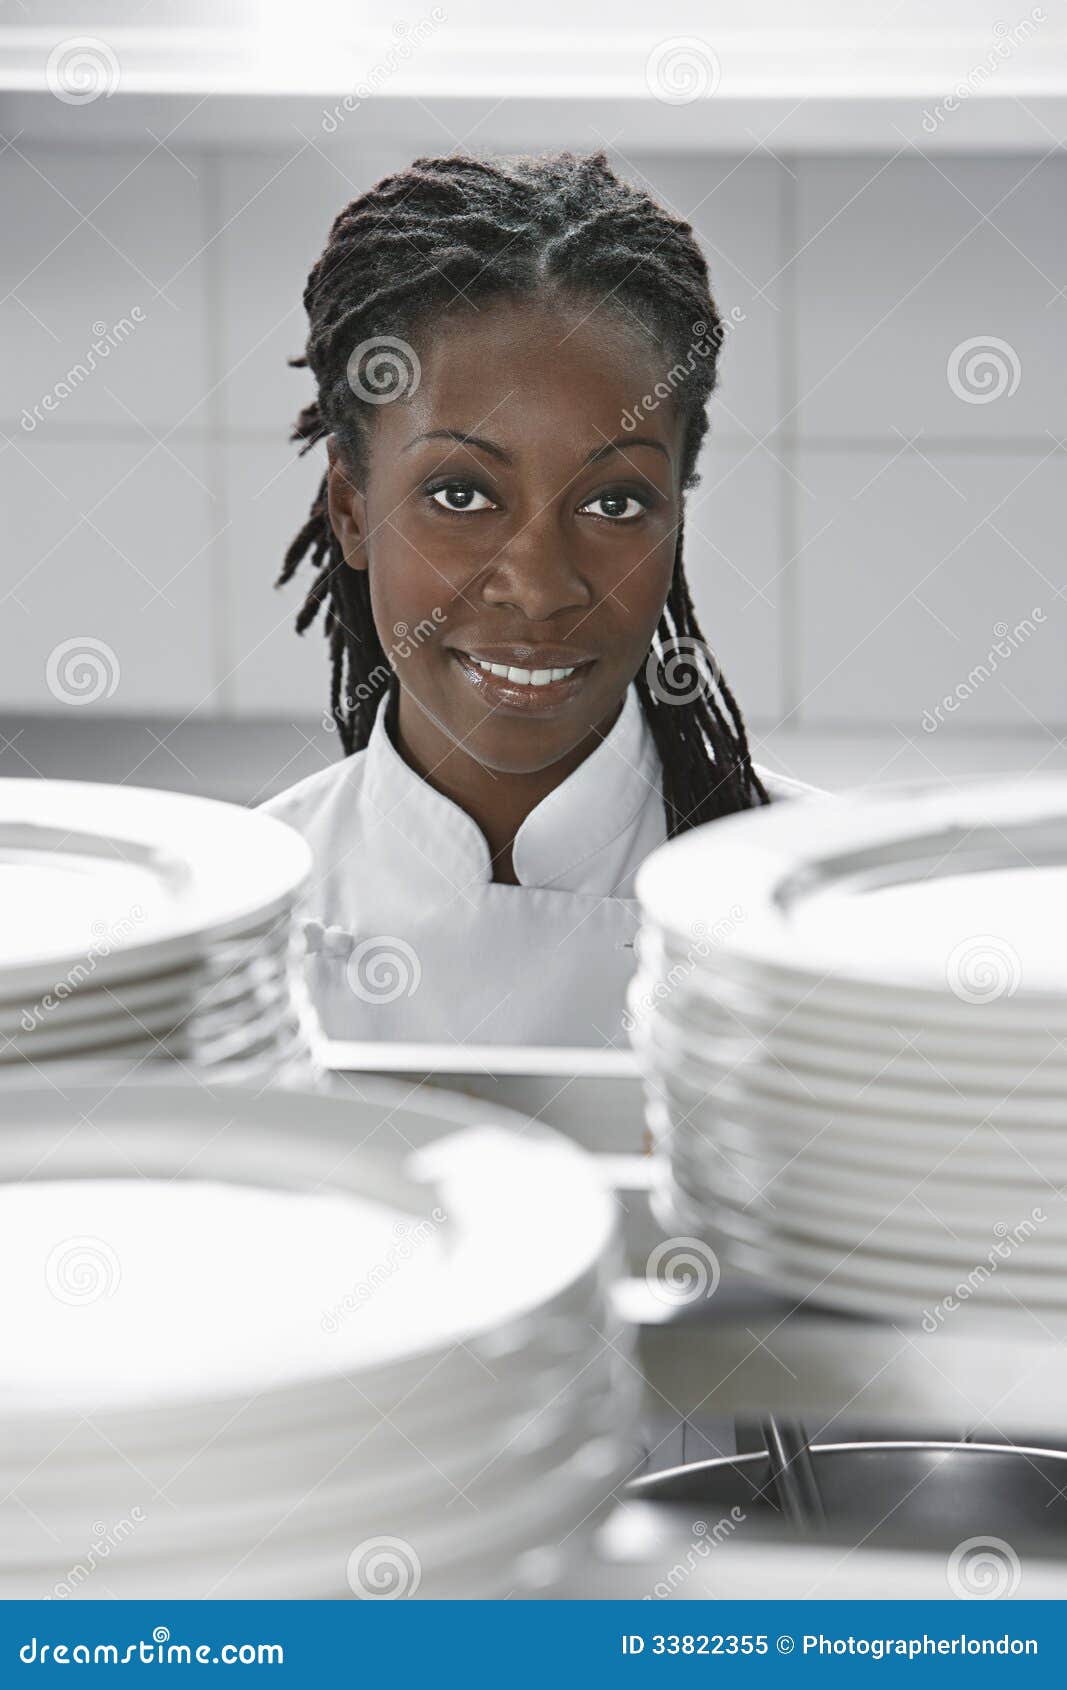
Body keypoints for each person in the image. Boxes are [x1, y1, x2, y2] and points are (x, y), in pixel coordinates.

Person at [258, 150, 811, 1047]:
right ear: (352, 511)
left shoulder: (826, 913)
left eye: (613, 503)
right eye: (461, 495)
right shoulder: (229, 923)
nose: (543, 588)